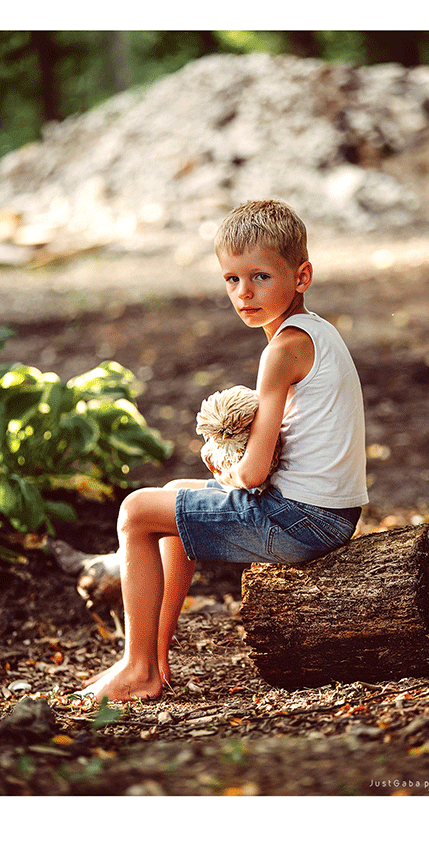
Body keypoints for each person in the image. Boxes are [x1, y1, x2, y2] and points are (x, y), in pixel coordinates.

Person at [80, 199, 368, 701]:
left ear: (302, 276)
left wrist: (223, 467)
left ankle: (138, 666)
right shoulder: (315, 333)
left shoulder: (282, 350)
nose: (243, 293)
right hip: (331, 512)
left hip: (301, 520)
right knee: (173, 493)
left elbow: (253, 473)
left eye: (260, 277)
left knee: (135, 511)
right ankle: (156, 660)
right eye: (231, 279)